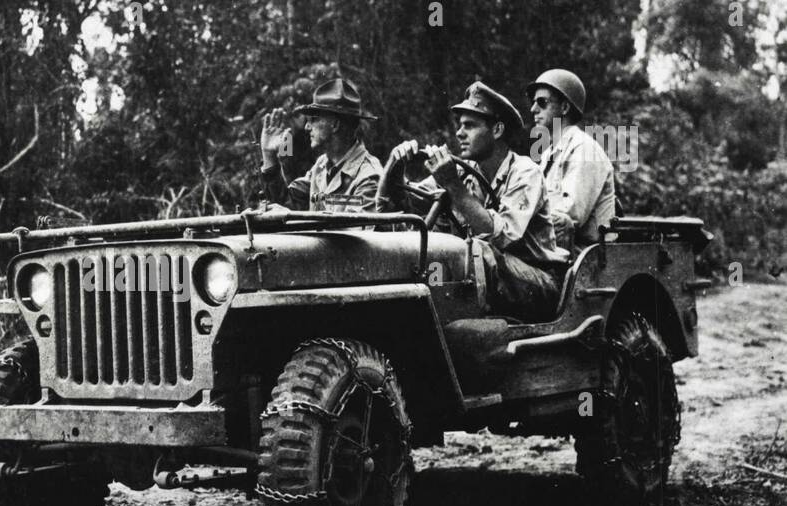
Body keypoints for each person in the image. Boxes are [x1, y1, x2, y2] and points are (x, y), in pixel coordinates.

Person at [380, 81, 570, 321]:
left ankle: (447, 319)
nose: (459, 133)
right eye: (460, 125)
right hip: (491, 278)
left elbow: (500, 236)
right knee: (427, 250)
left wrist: (453, 187)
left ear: (497, 130)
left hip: (538, 283)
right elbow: (408, 203)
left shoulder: (525, 172)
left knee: (476, 250)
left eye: (469, 126)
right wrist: (395, 167)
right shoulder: (463, 171)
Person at [259, 77, 382, 212]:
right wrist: (269, 156)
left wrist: (294, 221)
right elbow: (287, 203)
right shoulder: (322, 166)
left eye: (314, 119)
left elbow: (356, 231)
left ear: (334, 124)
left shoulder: (368, 177)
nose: (307, 127)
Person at [526, 68, 615, 255]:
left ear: (565, 108)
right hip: (556, 248)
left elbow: (568, 217)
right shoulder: (549, 154)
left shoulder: (584, 149)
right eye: (533, 102)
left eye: (542, 102)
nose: (533, 109)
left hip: (584, 256)